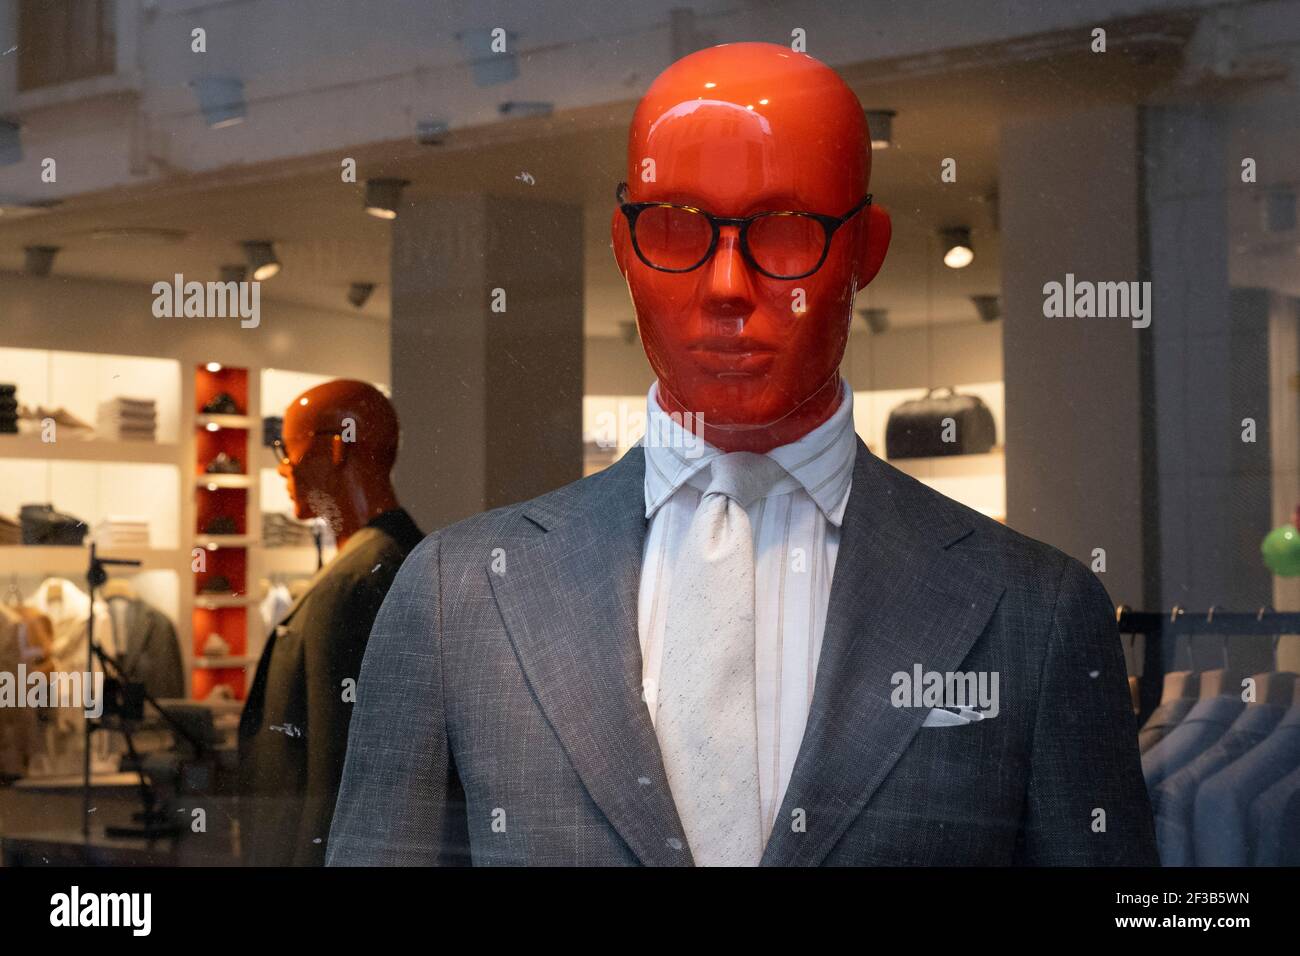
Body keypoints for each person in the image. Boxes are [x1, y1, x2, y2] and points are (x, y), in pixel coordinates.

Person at [327, 42, 1156, 866]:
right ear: (624, 244)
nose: (728, 284)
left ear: (865, 250)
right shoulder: (456, 596)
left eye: (787, 229)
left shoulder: (1035, 612)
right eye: (677, 227)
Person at [238, 379, 423, 865]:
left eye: (288, 448)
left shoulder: (356, 584)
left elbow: (335, 768)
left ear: (337, 447)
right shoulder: (395, 560)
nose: (283, 466)